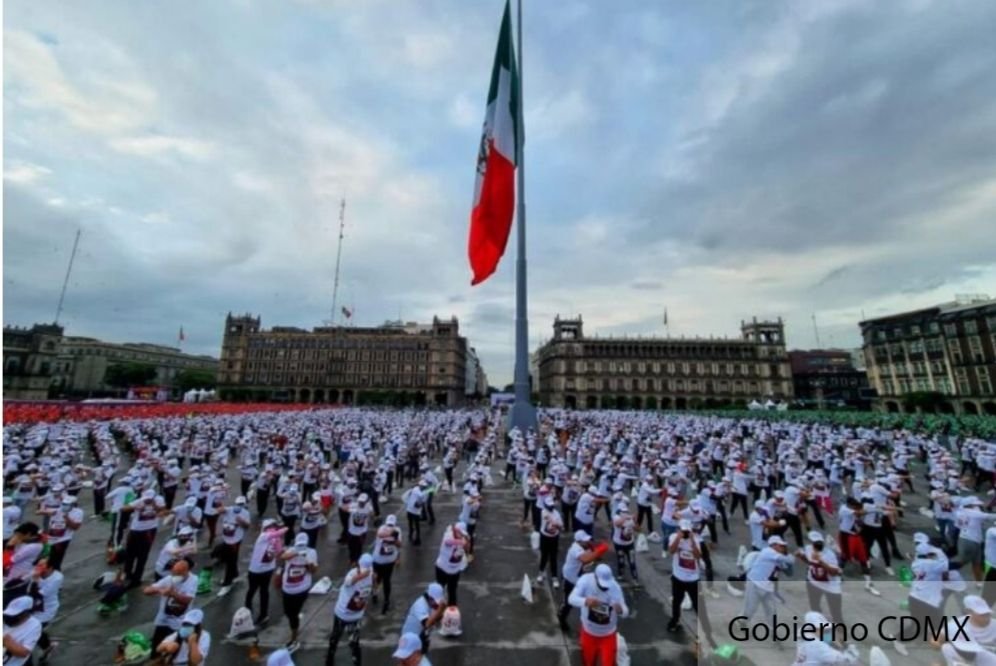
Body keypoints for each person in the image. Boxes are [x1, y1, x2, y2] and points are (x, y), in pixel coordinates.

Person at [568, 564, 629, 666]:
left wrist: (620, 610)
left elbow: (626, 611)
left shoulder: (615, 587)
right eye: (602, 585)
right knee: (588, 662)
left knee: (608, 663)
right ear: (595, 577)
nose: (604, 588)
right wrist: (586, 601)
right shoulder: (585, 580)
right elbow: (571, 599)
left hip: (608, 635)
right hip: (589, 633)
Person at [326, 553, 374, 666]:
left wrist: (362, 576)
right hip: (349, 614)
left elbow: (349, 582)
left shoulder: (361, 573)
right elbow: (350, 582)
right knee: (344, 640)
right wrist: (364, 575)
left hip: (349, 615)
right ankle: (333, 659)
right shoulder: (363, 573)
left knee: (345, 640)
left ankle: (334, 660)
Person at [739, 536, 793, 631]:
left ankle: (773, 629)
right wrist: (790, 556)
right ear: (774, 545)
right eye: (781, 546)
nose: (783, 548)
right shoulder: (767, 551)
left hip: (768, 588)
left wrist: (786, 556)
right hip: (755, 583)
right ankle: (743, 621)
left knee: (771, 610)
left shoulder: (778, 558)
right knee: (751, 607)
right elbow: (790, 560)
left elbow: (789, 573)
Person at [144, 559, 199, 650]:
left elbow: (187, 600)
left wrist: (172, 593)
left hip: (179, 623)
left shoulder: (194, 580)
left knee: (172, 650)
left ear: (186, 572)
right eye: (173, 573)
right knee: (157, 648)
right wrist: (159, 590)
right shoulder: (169, 579)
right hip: (163, 620)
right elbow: (146, 591)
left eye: (177, 573)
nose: (174, 576)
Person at [122, 488, 168, 587]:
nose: (147, 501)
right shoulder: (140, 501)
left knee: (142, 555)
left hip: (149, 531)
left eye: (149, 499)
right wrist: (136, 507)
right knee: (130, 553)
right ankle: (127, 574)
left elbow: (164, 511)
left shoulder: (158, 500)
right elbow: (123, 508)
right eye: (146, 499)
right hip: (135, 530)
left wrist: (155, 508)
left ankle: (137, 578)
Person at [280, 532, 317, 650]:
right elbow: (283, 557)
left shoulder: (311, 552)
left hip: (302, 588)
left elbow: (314, 570)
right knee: (287, 612)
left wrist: (308, 561)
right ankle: (295, 617)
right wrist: (296, 552)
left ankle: (294, 639)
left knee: (292, 615)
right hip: (287, 588)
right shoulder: (291, 550)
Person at [796, 531, 843, 625]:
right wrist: (801, 557)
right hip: (813, 582)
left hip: (830, 585)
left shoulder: (829, 554)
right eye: (815, 543)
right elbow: (809, 562)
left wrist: (821, 561)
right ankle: (820, 627)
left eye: (819, 543)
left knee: (836, 613)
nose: (818, 545)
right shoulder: (808, 549)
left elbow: (835, 573)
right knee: (815, 608)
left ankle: (841, 635)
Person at [246, 520, 286, 625]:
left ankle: (263, 614)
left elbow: (279, 553)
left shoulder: (276, 539)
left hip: (267, 570)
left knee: (264, 591)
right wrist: (284, 529)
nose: (274, 528)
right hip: (256, 569)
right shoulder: (263, 536)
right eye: (272, 526)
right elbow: (277, 533)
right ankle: (247, 610)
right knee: (252, 590)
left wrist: (278, 543)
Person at [667, 519, 701, 633]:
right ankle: (675, 621)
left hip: (693, 579)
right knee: (676, 602)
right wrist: (678, 538)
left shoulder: (695, 539)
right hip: (678, 577)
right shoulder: (674, 537)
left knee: (697, 604)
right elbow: (671, 551)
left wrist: (692, 540)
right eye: (683, 531)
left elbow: (698, 556)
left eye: (687, 532)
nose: (685, 534)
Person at [29, 557, 64, 662]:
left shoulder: (57, 578)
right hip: (33, 608)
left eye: (42, 565)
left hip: (46, 610)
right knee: (34, 630)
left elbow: (39, 595)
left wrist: (35, 581)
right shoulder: (35, 572)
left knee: (33, 629)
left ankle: (47, 647)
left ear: (50, 568)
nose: (38, 567)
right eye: (38, 565)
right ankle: (47, 646)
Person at [215, 496, 251, 596]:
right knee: (229, 558)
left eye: (241, 504)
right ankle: (234, 574)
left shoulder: (245, 513)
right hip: (226, 539)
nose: (239, 506)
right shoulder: (229, 510)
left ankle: (227, 584)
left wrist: (241, 522)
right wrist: (221, 507)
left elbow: (247, 526)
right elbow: (219, 510)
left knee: (230, 562)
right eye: (238, 504)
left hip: (235, 541)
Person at [794, 611, 859, 665]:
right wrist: (850, 649)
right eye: (824, 629)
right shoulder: (818, 646)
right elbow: (844, 660)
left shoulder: (804, 638)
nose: (826, 632)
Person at [3, 522, 44, 603]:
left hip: (17, 579)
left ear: (28, 534)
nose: (16, 537)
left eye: (19, 535)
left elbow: (5, 562)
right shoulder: (27, 542)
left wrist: (9, 546)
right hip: (13, 575)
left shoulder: (32, 547)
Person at [401, 583, 446, 655]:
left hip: (420, 637)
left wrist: (441, 612)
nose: (436, 605)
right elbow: (427, 623)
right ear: (429, 597)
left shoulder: (431, 604)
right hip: (409, 640)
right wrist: (440, 610)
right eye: (435, 601)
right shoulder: (420, 605)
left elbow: (436, 619)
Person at [372, 514, 402, 614]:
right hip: (379, 559)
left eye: (391, 525)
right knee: (377, 578)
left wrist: (395, 539)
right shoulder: (382, 529)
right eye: (389, 525)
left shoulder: (397, 531)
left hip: (388, 560)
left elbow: (399, 545)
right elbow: (380, 534)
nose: (390, 526)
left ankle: (386, 599)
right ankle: (375, 592)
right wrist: (390, 534)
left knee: (386, 580)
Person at [434, 522, 470, 606]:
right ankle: (437, 610)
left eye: (462, 534)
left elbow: (467, 550)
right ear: (454, 529)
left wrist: (467, 542)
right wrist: (461, 542)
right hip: (442, 569)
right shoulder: (448, 535)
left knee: (452, 592)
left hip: (455, 571)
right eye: (459, 533)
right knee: (440, 590)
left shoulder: (463, 538)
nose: (461, 535)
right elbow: (448, 542)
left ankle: (452, 613)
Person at [2, 596, 42, 666]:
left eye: (15, 615)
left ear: (26, 613)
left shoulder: (34, 625)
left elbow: (24, 652)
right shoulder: (4, 620)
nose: (10, 618)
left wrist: (7, 642)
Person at [538, 496, 564, 587]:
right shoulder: (543, 512)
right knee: (544, 556)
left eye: (552, 505)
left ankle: (554, 577)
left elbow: (561, 526)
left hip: (554, 538)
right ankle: (541, 573)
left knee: (553, 558)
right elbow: (548, 518)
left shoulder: (557, 514)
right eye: (549, 506)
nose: (551, 507)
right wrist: (556, 523)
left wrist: (557, 525)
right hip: (544, 537)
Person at [405, 481, 428, 546]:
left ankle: (417, 537)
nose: (423, 487)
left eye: (424, 487)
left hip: (416, 511)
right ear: (419, 485)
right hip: (410, 509)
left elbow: (423, 502)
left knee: (417, 525)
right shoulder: (416, 490)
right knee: (410, 523)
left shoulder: (424, 492)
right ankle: (411, 533)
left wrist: (420, 503)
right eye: (422, 486)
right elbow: (420, 495)